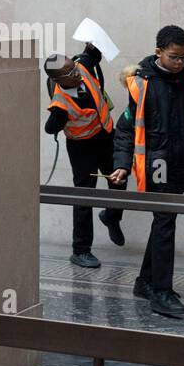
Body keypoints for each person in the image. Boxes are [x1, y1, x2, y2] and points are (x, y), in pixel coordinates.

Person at [109, 25, 184, 318]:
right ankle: (161, 291)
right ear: (159, 53)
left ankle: (145, 281)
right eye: (174, 56)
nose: (180, 62)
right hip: (157, 166)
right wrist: (121, 165)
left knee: (162, 223)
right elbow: (126, 129)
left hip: (182, 165)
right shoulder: (142, 84)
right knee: (166, 222)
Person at [44, 42, 125, 269]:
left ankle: (111, 216)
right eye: (69, 73)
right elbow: (50, 128)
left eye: (74, 67)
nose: (76, 73)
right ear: (58, 80)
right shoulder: (61, 102)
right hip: (82, 148)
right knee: (84, 195)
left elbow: (93, 55)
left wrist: (92, 43)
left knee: (119, 180)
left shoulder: (82, 66)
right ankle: (80, 251)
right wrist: (60, 119)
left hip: (106, 136)